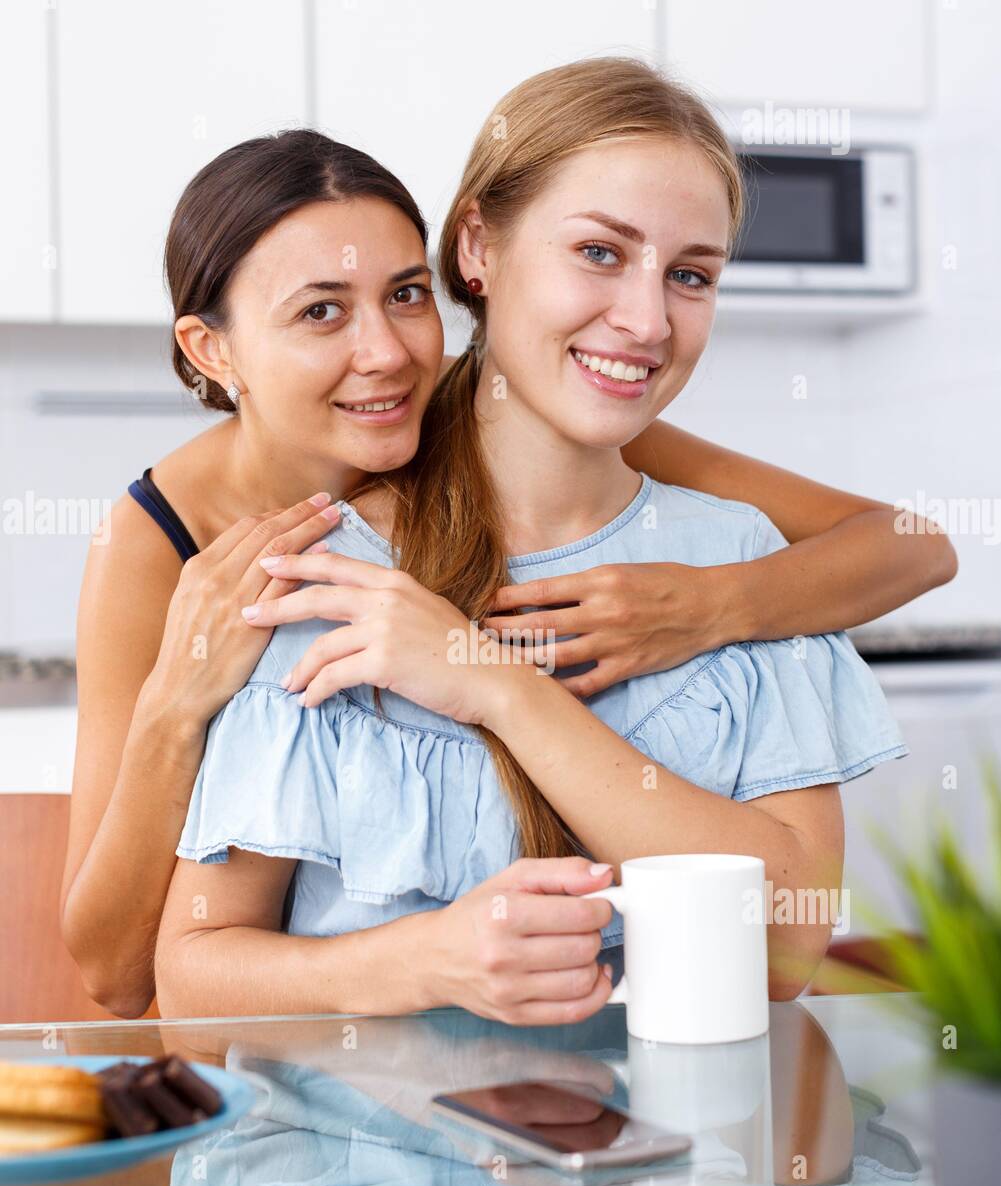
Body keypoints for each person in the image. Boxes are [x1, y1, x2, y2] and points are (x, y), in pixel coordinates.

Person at [155, 58, 923, 1023]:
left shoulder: (742, 561)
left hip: (670, 1161)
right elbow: (190, 981)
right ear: (478, 245)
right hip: (366, 1165)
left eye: (689, 275)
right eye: (599, 253)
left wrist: (499, 687)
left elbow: (784, 952)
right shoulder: (329, 576)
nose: (647, 321)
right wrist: (425, 962)